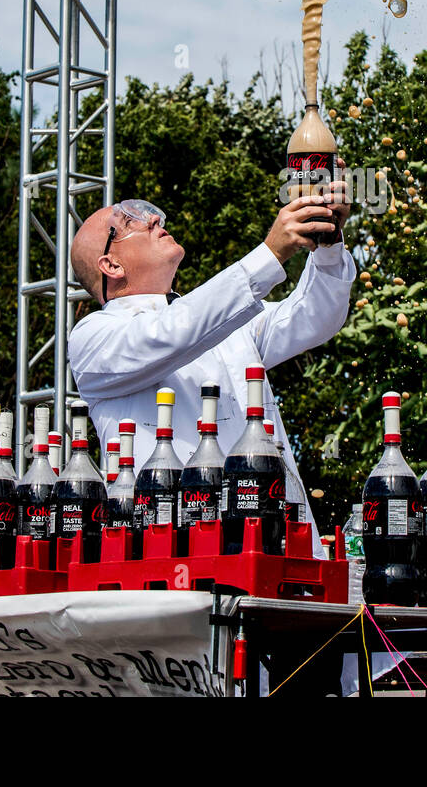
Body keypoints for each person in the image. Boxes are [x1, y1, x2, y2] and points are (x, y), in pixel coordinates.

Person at [66, 163, 354, 557]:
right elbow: (172, 334)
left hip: (275, 544)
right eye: (130, 219)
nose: (154, 218)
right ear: (111, 266)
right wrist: (270, 253)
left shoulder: (220, 319)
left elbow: (312, 317)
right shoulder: (93, 338)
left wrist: (328, 244)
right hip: (180, 555)